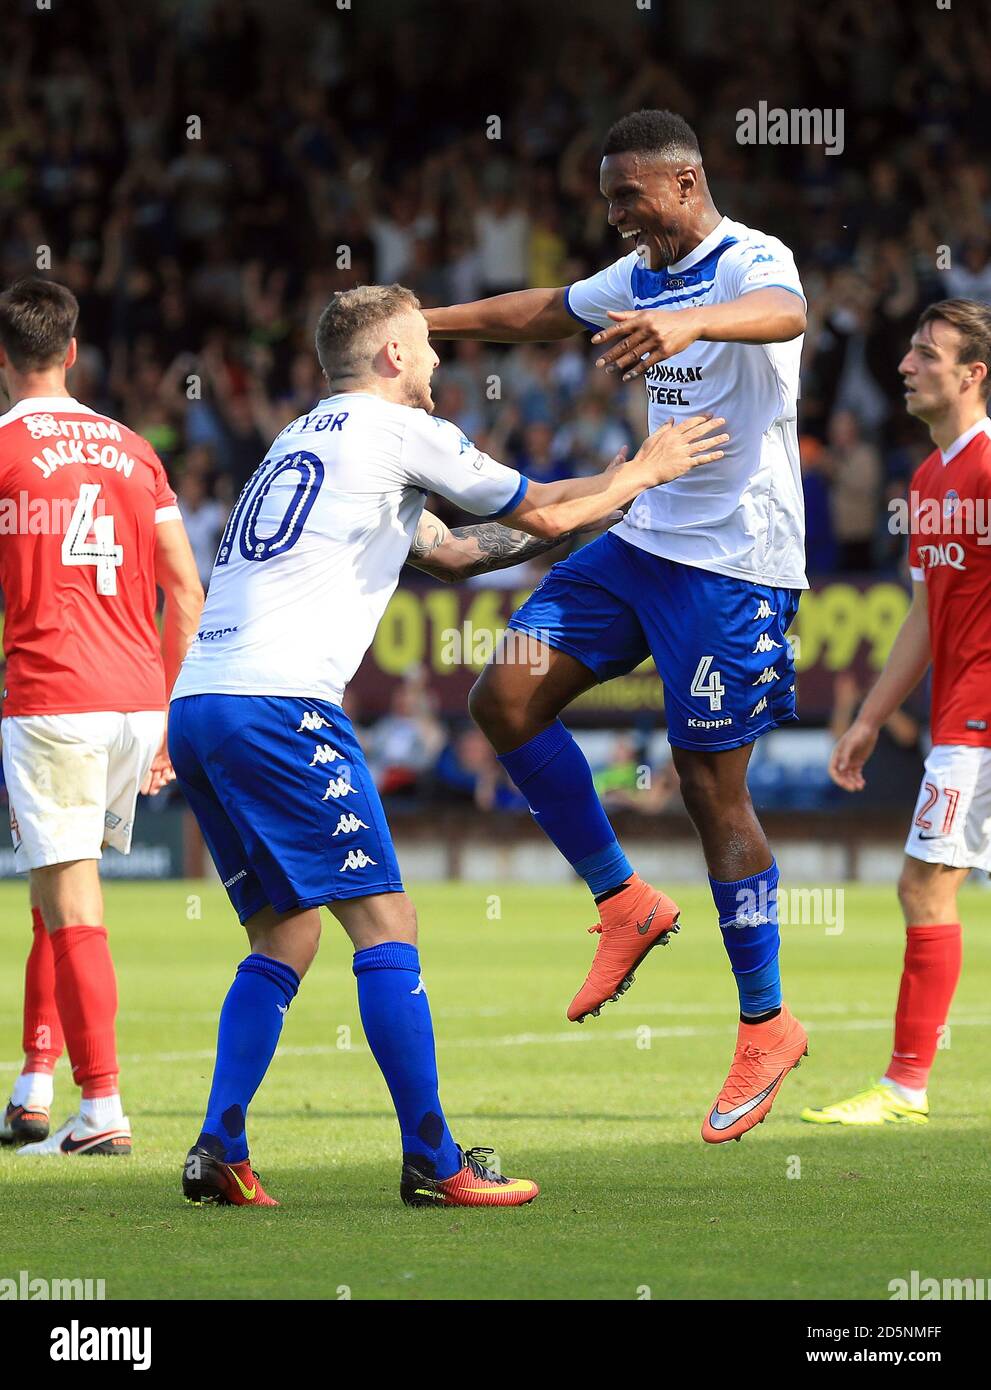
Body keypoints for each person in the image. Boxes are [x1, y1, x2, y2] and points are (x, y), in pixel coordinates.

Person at [167, 282, 726, 1207]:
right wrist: (640, 474)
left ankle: (219, 1148)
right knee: (386, 926)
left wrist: (605, 502)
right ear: (391, 356)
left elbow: (460, 552)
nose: (436, 364)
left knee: (286, 931)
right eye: (426, 348)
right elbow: (540, 513)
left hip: (201, 703)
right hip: (280, 704)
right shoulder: (398, 432)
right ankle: (435, 1161)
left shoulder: (303, 438)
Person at [426, 108, 810, 1143]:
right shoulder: (634, 275)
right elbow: (546, 309)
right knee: (500, 694)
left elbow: (783, 313)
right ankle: (623, 901)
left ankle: (767, 1024)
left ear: (683, 184)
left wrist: (693, 324)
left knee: (705, 786)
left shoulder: (746, 259)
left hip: (733, 564)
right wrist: (427, 324)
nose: (615, 218)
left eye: (627, 198)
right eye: (607, 202)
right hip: (640, 538)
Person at [0, 278, 203, 1156]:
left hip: (52, 699)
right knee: (57, 894)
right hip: (131, 703)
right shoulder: (133, 446)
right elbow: (185, 590)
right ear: (74, 353)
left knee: (70, 900)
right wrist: (166, 714)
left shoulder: (4, 448)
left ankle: (103, 1109)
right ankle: (34, 1089)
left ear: (2, 362)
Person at [805, 298, 991, 1127]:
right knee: (926, 885)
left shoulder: (988, 467)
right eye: (909, 353)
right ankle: (906, 1083)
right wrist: (871, 717)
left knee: (922, 883)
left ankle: (905, 1085)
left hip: (977, 722)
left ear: (970, 375)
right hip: (955, 715)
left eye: (925, 355)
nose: (905, 366)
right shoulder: (925, 479)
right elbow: (923, 616)